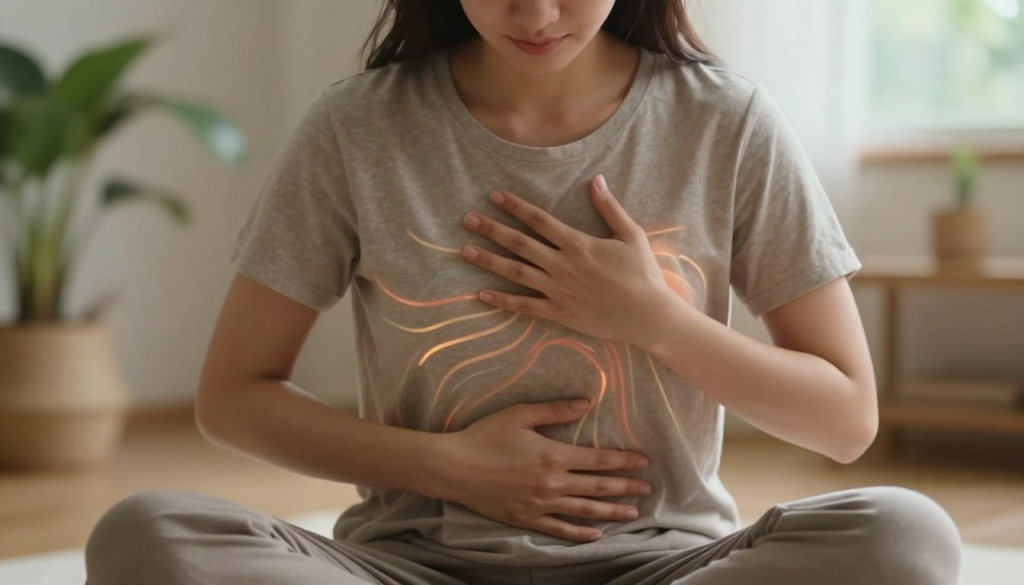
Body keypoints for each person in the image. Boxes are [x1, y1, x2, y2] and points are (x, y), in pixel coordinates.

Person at [85, 1, 963, 584]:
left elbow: (845, 419)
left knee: (905, 537)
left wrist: (651, 318)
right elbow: (231, 398)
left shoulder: (723, 122)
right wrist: (449, 466)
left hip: (661, 567)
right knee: (144, 536)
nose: (537, 13)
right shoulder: (358, 128)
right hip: (412, 564)